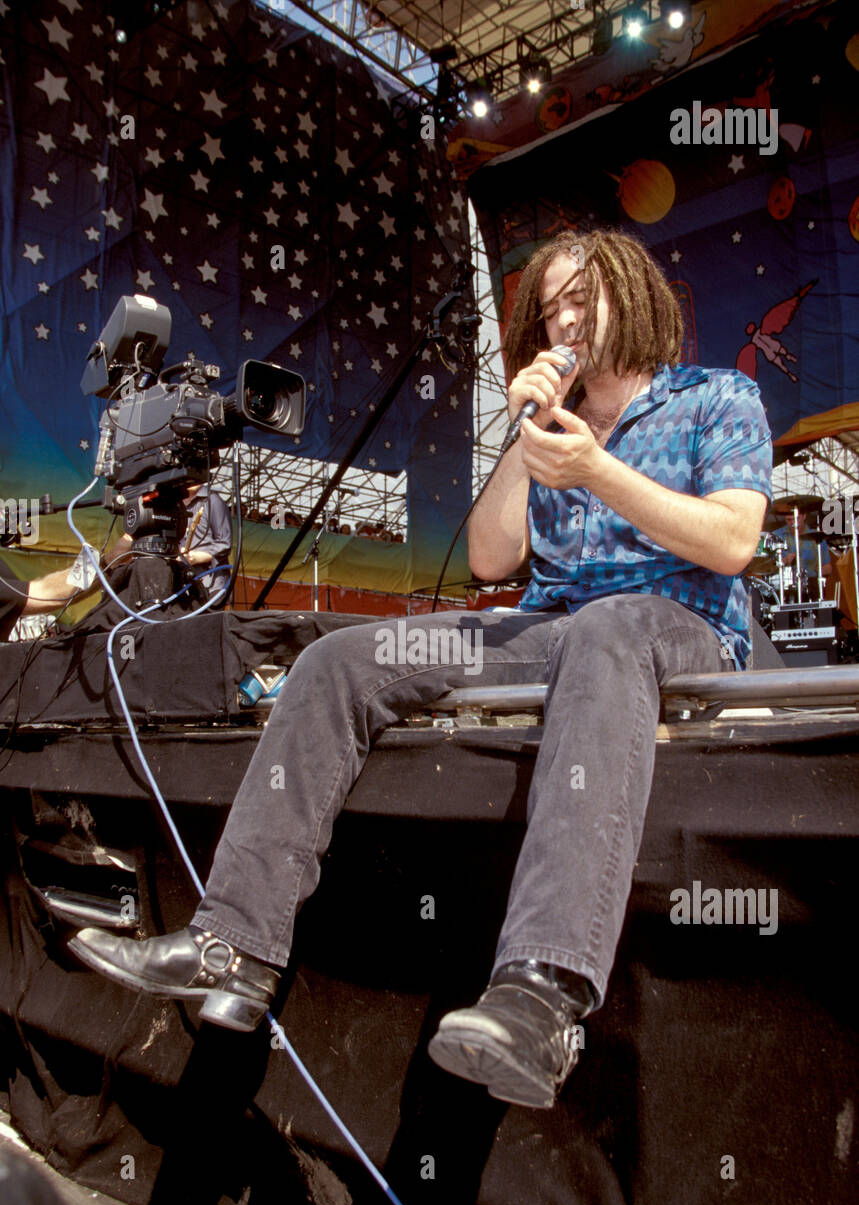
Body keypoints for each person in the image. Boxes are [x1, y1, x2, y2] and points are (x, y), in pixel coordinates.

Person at [68, 229, 772, 1109]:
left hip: (675, 623)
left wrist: (596, 470)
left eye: (582, 294)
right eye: (551, 302)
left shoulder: (714, 396)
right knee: (338, 660)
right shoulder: (549, 421)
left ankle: (540, 998)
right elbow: (487, 559)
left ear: (631, 293)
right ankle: (234, 943)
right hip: (555, 627)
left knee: (608, 630)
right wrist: (529, 436)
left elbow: (732, 541)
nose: (566, 314)